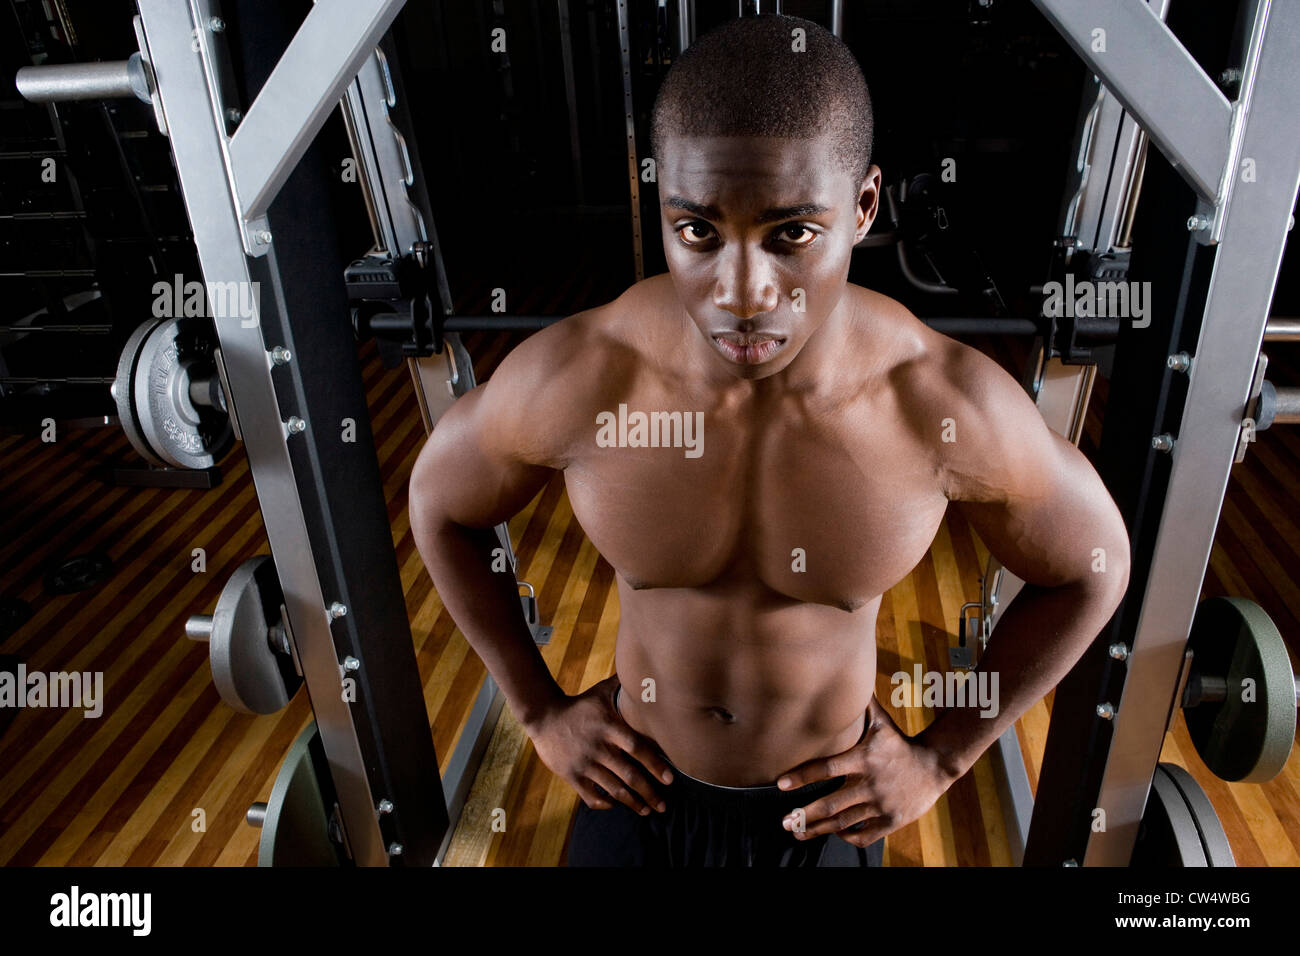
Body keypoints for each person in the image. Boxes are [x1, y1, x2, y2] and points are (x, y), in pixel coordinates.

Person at [408, 14, 1130, 866]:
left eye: (791, 233)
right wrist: (537, 710)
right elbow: (437, 503)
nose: (745, 291)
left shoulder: (936, 402)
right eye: (698, 232)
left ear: (863, 207)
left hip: (825, 811)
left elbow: (1094, 567)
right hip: (637, 788)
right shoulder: (587, 375)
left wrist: (941, 757)